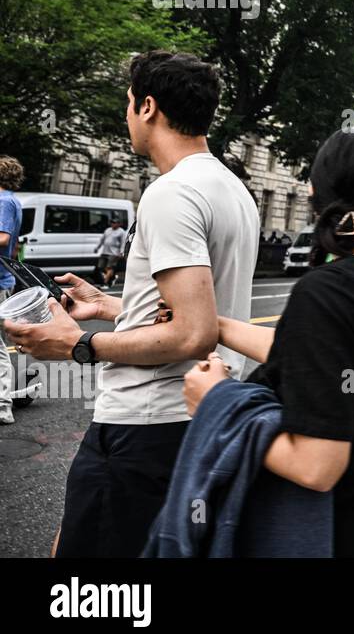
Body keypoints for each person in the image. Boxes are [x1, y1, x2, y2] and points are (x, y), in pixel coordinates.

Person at [4, 52, 258, 557]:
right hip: (195, 417)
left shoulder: (172, 193)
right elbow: (196, 309)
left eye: (127, 102)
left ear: (147, 106)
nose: (126, 115)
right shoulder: (232, 188)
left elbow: (191, 333)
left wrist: (77, 346)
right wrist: (108, 305)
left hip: (143, 425)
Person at [188, 125, 354, 557]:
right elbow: (320, 361)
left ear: (314, 192)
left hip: (314, 537)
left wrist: (216, 402)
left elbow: (318, 465)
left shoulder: (328, 290)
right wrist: (217, 325)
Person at [0, 155, 24, 426]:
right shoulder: (12, 201)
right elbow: (14, 246)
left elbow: (4, 238)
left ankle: (3, 406)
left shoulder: (4, 201)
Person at [93, 219, 128, 288]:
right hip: (105, 251)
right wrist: (97, 248)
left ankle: (105, 283)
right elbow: (102, 240)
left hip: (114, 253)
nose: (113, 224)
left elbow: (123, 243)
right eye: (112, 222)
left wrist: (121, 252)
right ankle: (112, 277)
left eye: (115, 223)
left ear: (118, 224)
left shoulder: (121, 232)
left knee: (109, 267)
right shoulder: (108, 230)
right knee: (100, 267)